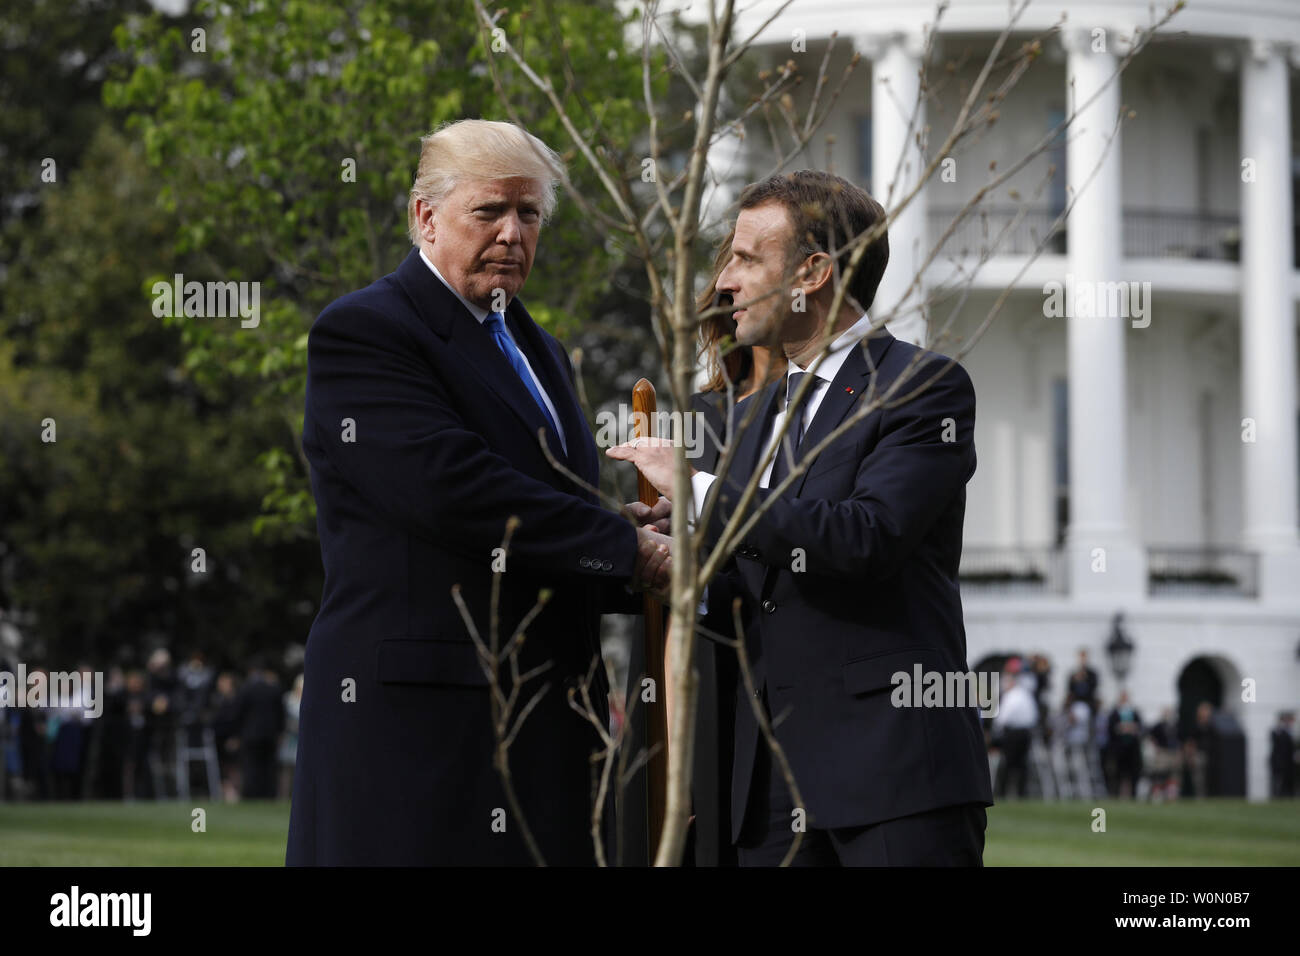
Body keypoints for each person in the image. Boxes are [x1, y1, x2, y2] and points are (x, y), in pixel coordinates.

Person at [286, 119, 670, 866]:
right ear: (425, 217)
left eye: (528, 214)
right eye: (488, 211)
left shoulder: (540, 348)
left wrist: (628, 531)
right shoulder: (363, 332)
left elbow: (539, 504)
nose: (512, 233)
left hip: (550, 726)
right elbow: (454, 491)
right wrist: (628, 550)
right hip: (423, 734)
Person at [610, 170, 993, 865]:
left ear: (812, 272)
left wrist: (699, 492)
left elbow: (863, 539)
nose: (724, 281)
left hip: (894, 786)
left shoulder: (922, 388)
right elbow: (752, 592)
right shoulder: (749, 420)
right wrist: (675, 553)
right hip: (765, 804)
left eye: (747, 258)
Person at [1270, 711, 1295, 798]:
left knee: (1287, 781)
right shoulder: (1278, 732)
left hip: (1288, 763)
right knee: (1277, 780)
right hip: (1278, 762)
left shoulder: (1290, 732)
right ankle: (1277, 796)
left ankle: (1286, 795)